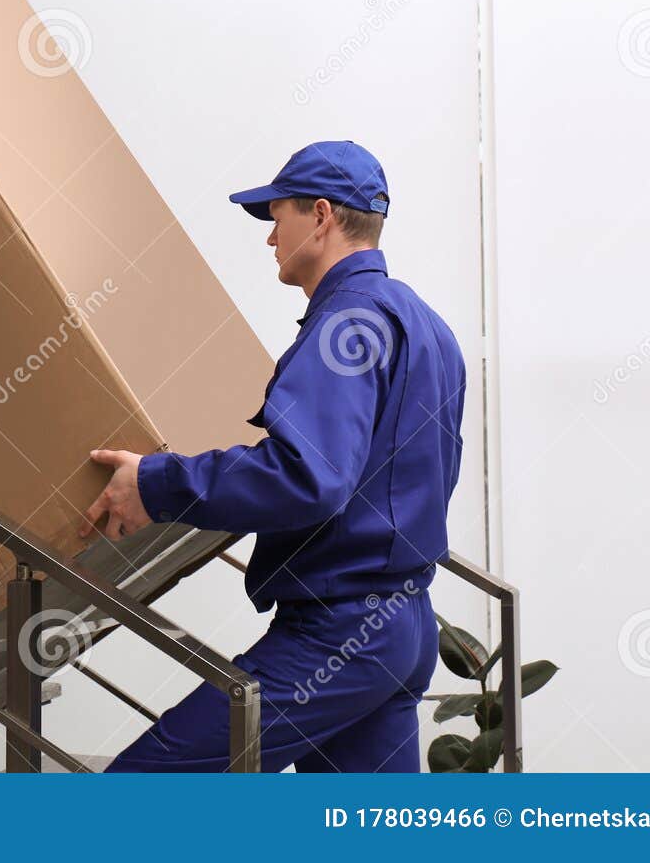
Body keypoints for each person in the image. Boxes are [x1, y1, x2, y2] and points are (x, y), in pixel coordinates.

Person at [82, 140, 464, 771]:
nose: (269, 239)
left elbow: (309, 478)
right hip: (403, 625)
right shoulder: (426, 325)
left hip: (340, 636)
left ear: (320, 216)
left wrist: (155, 485)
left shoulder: (349, 323)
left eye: (276, 217)